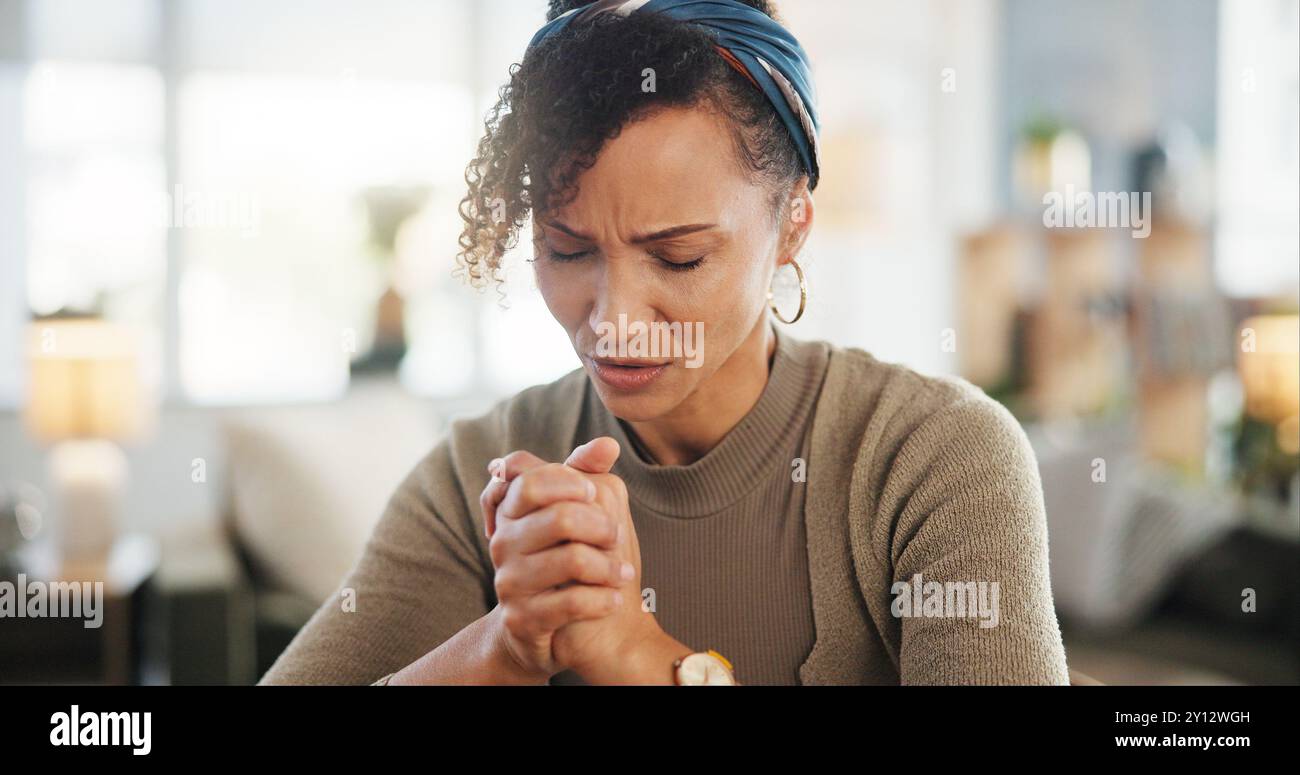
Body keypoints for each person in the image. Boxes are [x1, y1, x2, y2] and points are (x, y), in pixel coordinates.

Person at [259, 0, 1070, 686]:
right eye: (567, 249)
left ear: (793, 222)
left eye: (678, 256)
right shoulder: (485, 469)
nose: (614, 319)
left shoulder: (933, 459)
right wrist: (506, 644)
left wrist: (638, 654)